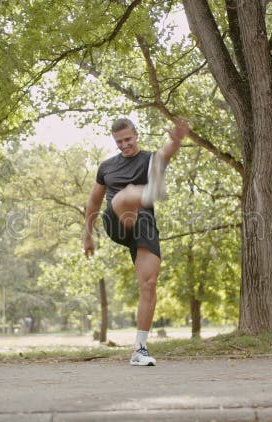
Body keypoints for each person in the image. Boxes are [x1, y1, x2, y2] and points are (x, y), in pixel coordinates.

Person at [82, 117, 189, 366]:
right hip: (116, 220)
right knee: (124, 197)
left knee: (149, 283)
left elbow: (165, 153)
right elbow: (94, 201)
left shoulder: (149, 159)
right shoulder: (107, 167)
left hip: (144, 225)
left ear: (136, 135)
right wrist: (87, 234)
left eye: (128, 139)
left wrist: (176, 141)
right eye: (119, 142)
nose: (124, 145)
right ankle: (143, 193)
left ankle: (140, 350)